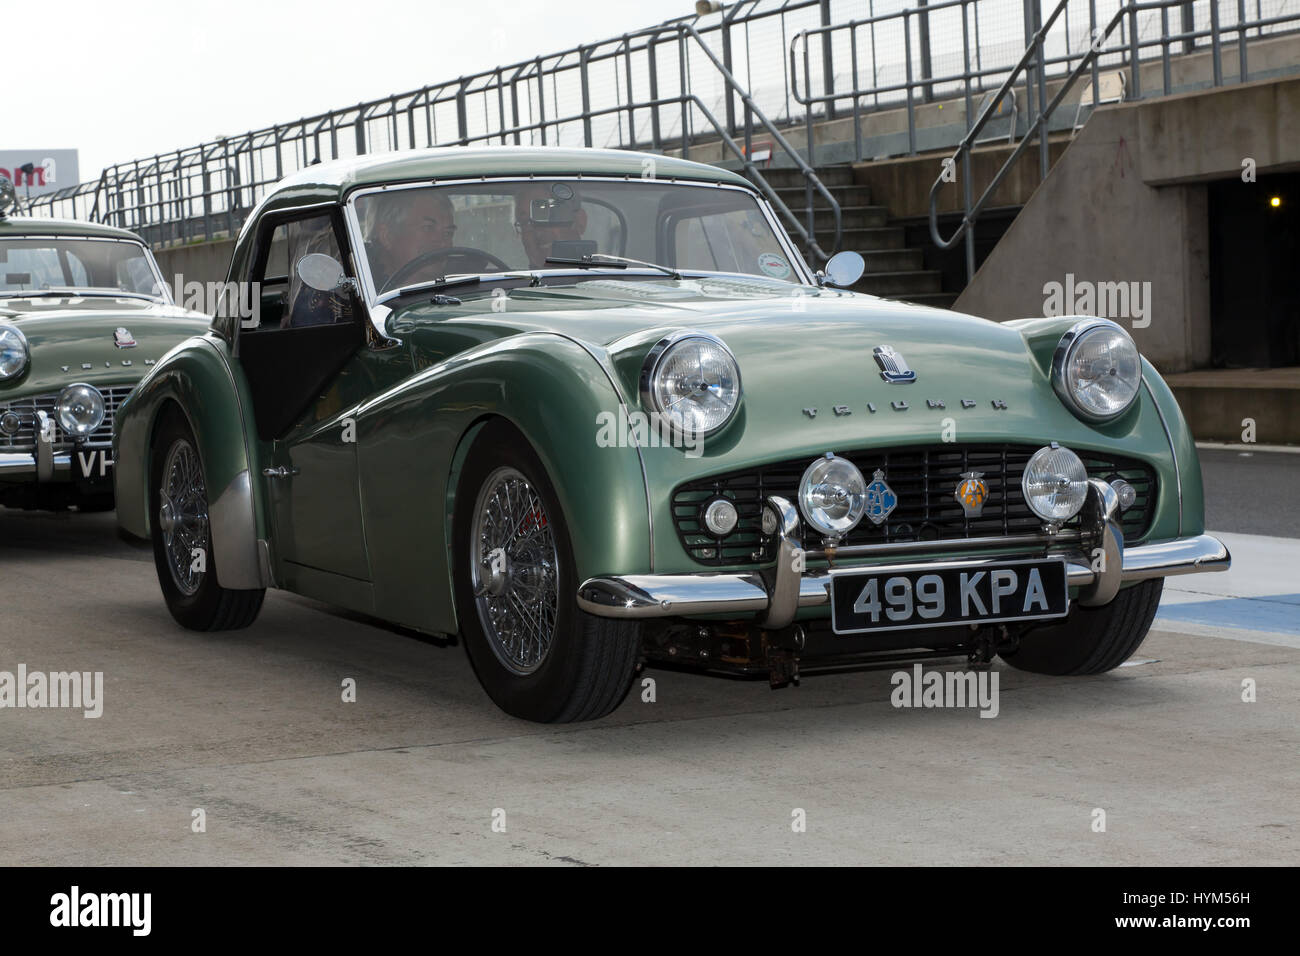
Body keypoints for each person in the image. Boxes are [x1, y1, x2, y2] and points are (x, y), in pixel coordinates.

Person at [363, 190, 458, 292]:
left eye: (448, 233)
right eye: (428, 228)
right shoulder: (365, 292)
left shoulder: (462, 280)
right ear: (387, 236)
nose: (443, 243)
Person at [514, 182, 587, 269]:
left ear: (579, 221)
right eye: (525, 222)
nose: (537, 231)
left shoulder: (603, 277)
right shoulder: (511, 280)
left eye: (544, 216)